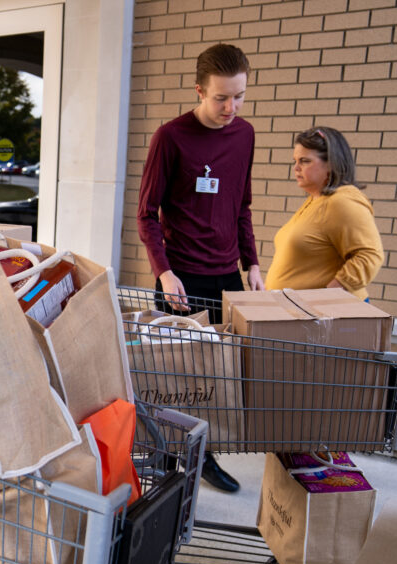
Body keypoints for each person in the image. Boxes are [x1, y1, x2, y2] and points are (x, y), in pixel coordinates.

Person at [137, 43, 264, 493]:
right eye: (221, 98)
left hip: (226, 276)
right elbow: (146, 213)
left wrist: (251, 263)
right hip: (182, 279)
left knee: (215, 378)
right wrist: (164, 271)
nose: (231, 108)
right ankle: (169, 464)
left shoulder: (244, 135)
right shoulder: (171, 137)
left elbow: (242, 207)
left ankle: (201, 459)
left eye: (240, 96)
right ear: (199, 90)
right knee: (176, 379)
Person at [265, 127, 384, 301]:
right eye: (295, 161)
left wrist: (326, 296)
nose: (296, 168)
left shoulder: (342, 201)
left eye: (305, 161)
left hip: (326, 316)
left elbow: (370, 256)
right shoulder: (316, 199)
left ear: (330, 164)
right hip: (300, 313)